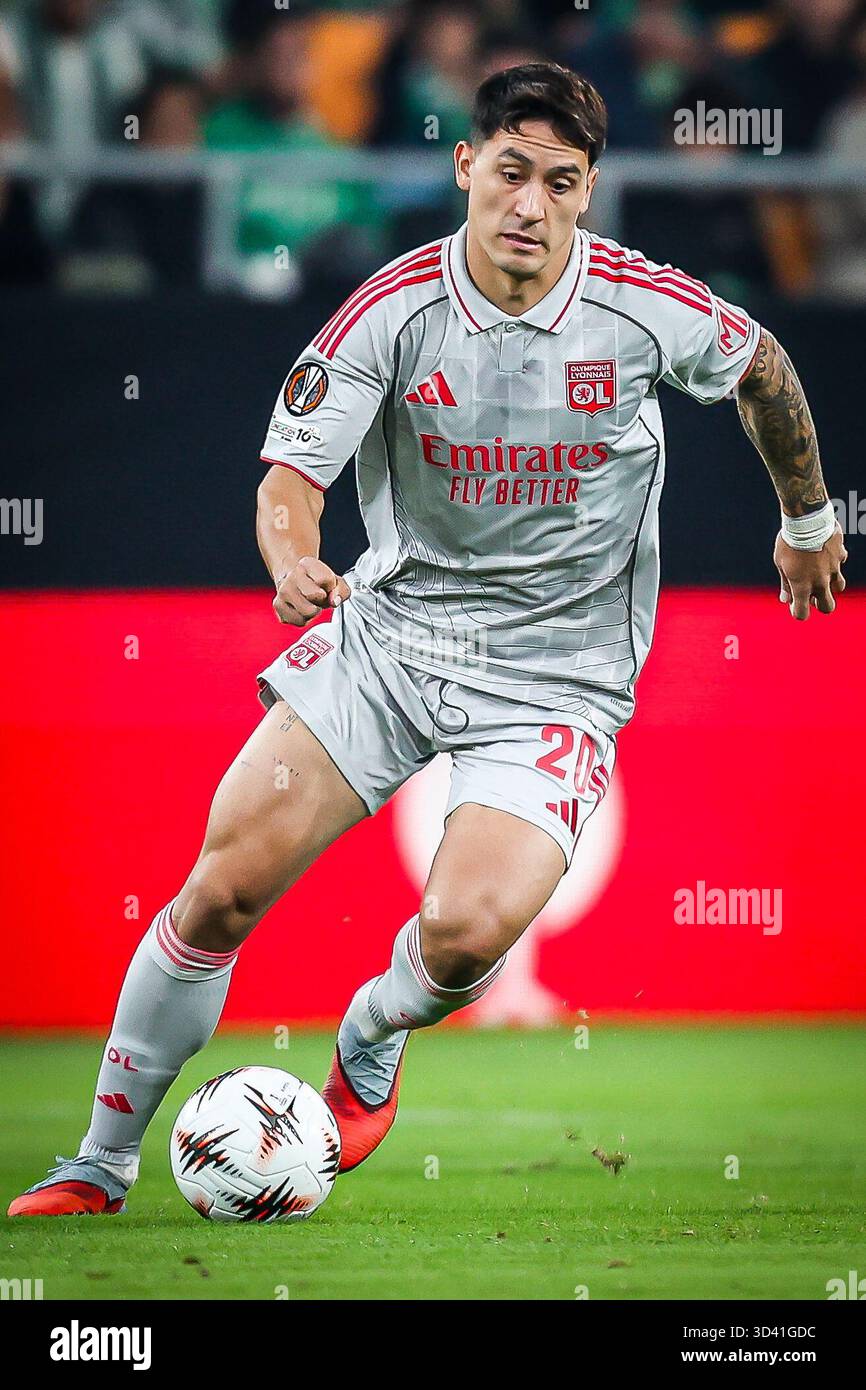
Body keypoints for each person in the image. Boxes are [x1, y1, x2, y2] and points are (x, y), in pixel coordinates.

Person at [8, 61, 847, 1215]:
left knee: (459, 935)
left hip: (559, 679)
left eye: (559, 182)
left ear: (587, 190)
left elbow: (760, 364)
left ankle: (370, 1031)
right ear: (465, 167)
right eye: (509, 172)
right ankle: (95, 1166)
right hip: (390, 639)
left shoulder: (641, 304)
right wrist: (291, 557)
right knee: (221, 887)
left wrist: (804, 518)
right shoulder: (393, 311)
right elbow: (288, 478)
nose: (529, 206)